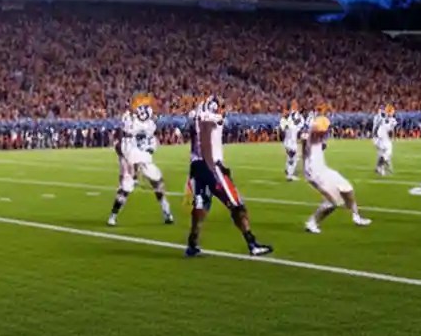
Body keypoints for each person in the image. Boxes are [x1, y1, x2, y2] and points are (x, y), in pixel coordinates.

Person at [185, 95, 274, 257]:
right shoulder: (213, 117)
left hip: (196, 166)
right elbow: (211, 126)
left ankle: (192, 243)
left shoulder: (193, 115)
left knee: (201, 206)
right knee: (237, 205)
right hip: (212, 166)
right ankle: (252, 244)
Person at [108, 94, 174, 226]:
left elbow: (147, 147)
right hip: (130, 156)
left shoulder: (142, 124)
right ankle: (113, 215)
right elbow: (123, 146)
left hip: (140, 156)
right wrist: (130, 166)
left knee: (156, 182)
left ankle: (166, 212)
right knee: (127, 186)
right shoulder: (136, 124)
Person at [302, 115, 372, 233]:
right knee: (333, 202)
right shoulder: (310, 137)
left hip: (323, 170)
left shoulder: (318, 138)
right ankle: (312, 222)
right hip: (314, 174)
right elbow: (309, 138)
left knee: (347, 188)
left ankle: (356, 217)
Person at [279, 102, 304, 181]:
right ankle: (289, 176)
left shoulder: (294, 116)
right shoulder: (285, 119)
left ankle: (288, 170)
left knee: (293, 157)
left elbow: (299, 124)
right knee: (292, 158)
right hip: (290, 142)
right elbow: (284, 128)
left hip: (290, 141)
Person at [372, 104, 397, 176]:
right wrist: (393, 137)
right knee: (388, 152)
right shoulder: (391, 120)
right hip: (383, 137)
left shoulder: (378, 117)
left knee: (381, 153)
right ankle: (383, 163)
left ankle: (380, 169)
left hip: (377, 137)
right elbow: (391, 130)